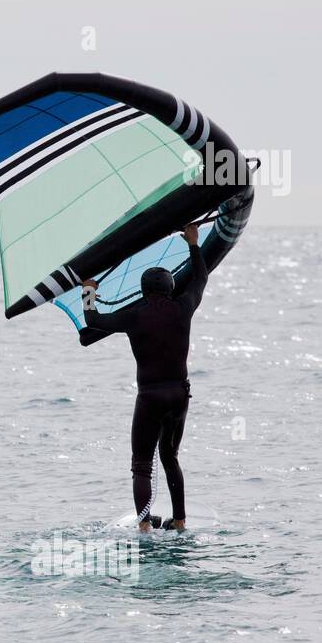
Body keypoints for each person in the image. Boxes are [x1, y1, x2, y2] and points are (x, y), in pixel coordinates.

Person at [81, 223, 207, 533]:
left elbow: (93, 320)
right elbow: (201, 278)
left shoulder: (133, 316)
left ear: (143, 290)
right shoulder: (184, 307)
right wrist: (193, 243)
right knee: (170, 457)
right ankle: (180, 522)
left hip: (150, 396)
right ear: (169, 288)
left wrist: (89, 290)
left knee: (142, 465)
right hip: (179, 394)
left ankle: (144, 528)